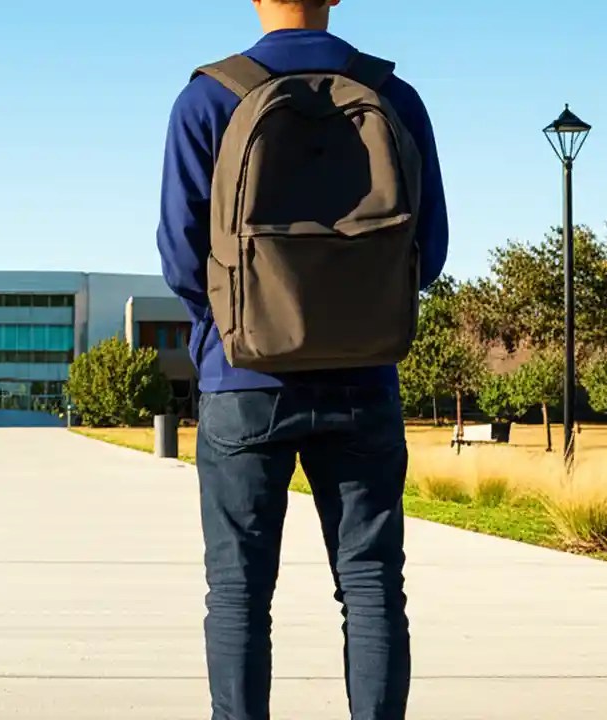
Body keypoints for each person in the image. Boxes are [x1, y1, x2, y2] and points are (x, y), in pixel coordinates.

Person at [155, 2, 449, 719]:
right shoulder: (393, 97)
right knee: (372, 584)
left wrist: (234, 326)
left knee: (239, 592)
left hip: (244, 377)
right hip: (365, 375)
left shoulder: (209, 97)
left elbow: (178, 256)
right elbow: (429, 252)